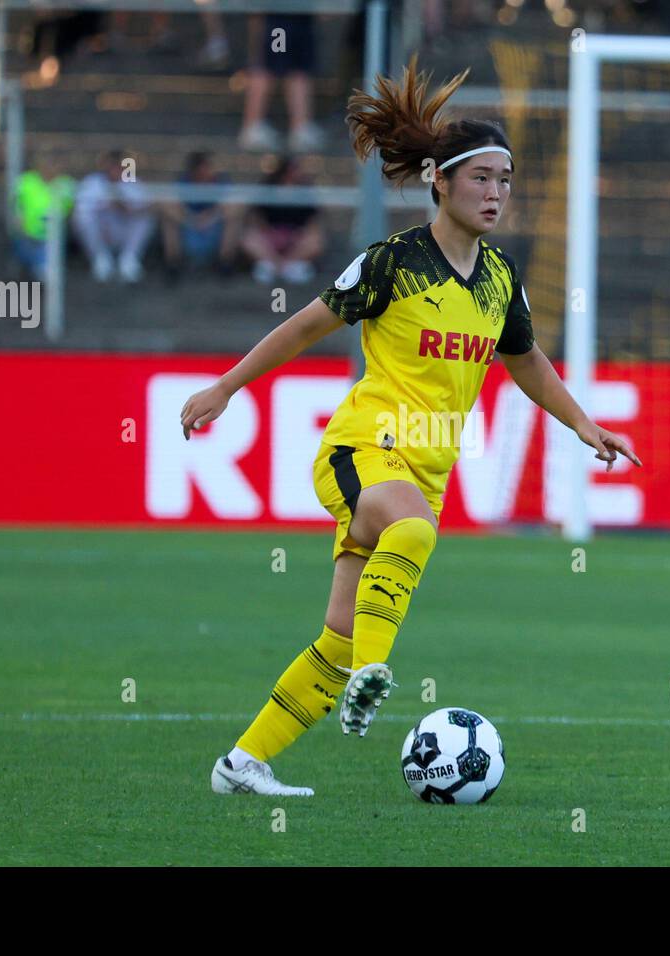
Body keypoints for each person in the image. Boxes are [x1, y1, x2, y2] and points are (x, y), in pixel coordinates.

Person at [180, 56, 641, 797]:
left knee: (335, 637)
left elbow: (525, 364)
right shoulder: (393, 262)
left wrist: (585, 424)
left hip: (425, 469)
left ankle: (243, 763)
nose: (496, 193)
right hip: (362, 451)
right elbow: (304, 327)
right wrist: (228, 387)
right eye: (482, 177)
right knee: (415, 534)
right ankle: (374, 671)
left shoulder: (499, 280)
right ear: (441, 180)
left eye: (506, 179)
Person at [238, 14, 324, 154]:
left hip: (298, 17)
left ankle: (300, 126)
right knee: (268, 68)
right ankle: (252, 126)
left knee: (298, 68)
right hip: (278, 17)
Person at [71, 149, 155, 283]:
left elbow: (146, 207)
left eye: (118, 165)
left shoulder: (133, 183)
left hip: (122, 231)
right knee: (82, 218)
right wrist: (105, 206)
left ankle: (129, 260)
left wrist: (125, 207)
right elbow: (81, 210)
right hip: (100, 233)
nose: (114, 169)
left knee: (144, 219)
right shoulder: (92, 182)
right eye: (111, 165)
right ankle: (101, 260)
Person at [239, 155, 325, 285]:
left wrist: (296, 236)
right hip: (270, 238)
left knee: (315, 241)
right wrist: (271, 234)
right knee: (249, 239)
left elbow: (312, 222)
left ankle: (283, 266)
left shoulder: (306, 190)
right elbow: (256, 218)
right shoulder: (267, 187)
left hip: (296, 239)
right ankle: (276, 265)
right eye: (295, 169)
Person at [159, 151, 230, 278]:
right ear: (197, 168)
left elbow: (235, 206)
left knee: (234, 210)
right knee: (167, 210)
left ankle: (225, 263)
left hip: (214, 228)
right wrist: (192, 219)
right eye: (208, 166)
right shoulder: (183, 182)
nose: (212, 170)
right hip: (188, 228)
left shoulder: (222, 182)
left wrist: (210, 217)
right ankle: (173, 264)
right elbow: (167, 204)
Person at [13, 150, 76, 282]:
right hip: (29, 236)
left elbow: (71, 212)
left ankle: (45, 271)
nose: (51, 167)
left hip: (55, 237)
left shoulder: (67, 185)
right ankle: (40, 270)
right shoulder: (26, 182)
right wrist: (23, 229)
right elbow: (17, 210)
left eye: (54, 164)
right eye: (48, 163)